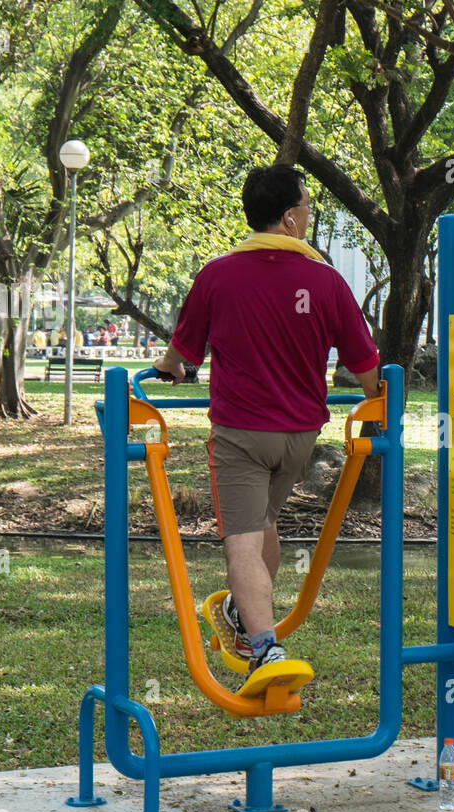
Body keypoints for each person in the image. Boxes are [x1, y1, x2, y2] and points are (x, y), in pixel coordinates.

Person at [154, 164, 381, 676]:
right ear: (288, 219)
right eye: (306, 208)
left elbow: (179, 355)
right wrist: (378, 408)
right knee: (262, 527)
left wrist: (166, 370)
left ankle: (265, 648)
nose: (308, 215)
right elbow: (367, 368)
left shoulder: (217, 274)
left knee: (242, 543)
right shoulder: (326, 279)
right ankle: (241, 612)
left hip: (240, 436)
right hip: (300, 438)